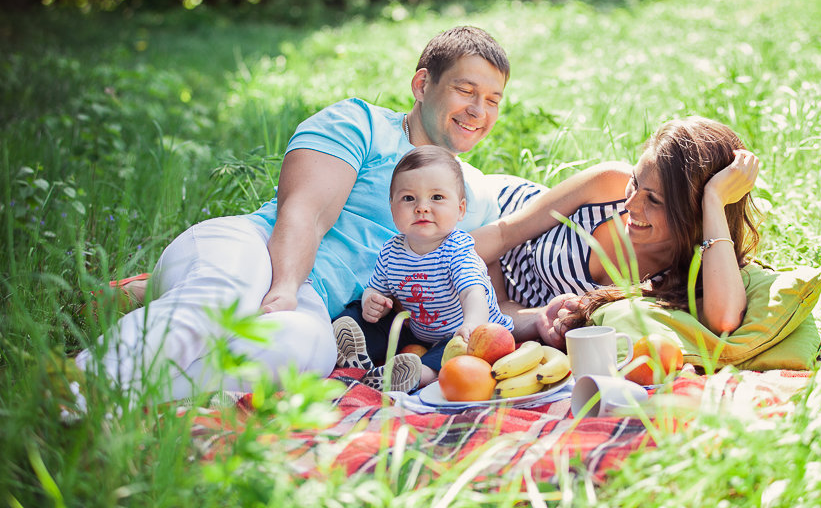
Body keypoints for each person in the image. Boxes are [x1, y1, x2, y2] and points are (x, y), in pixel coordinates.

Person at [75, 26, 511, 403]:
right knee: (224, 297)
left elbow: (487, 285)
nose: (479, 111)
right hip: (258, 250)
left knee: (306, 351)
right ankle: (79, 388)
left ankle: (130, 391)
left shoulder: (473, 196)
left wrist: (552, 315)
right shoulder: (358, 122)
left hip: (315, 301)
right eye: (465, 90)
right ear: (422, 85)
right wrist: (282, 287)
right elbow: (305, 211)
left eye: (493, 99)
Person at [469, 116, 761, 347]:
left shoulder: (682, 279)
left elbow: (724, 319)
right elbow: (505, 233)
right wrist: (435, 258)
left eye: (655, 200)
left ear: (695, 216)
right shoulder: (608, 185)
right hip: (478, 218)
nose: (631, 204)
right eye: (636, 182)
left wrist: (713, 200)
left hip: (491, 298)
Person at [332, 146, 513, 391]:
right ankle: (354, 346)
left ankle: (419, 374)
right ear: (392, 207)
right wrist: (371, 301)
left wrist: (472, 324)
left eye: (436, 197)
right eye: (409, 198)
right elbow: (376, 288)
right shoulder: (391, 251)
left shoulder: (456, 249)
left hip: (468, 333)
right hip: (419, 330)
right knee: (363, 311)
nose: (422, 207)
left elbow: (473, 292)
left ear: (460, 209)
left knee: (458, 353)